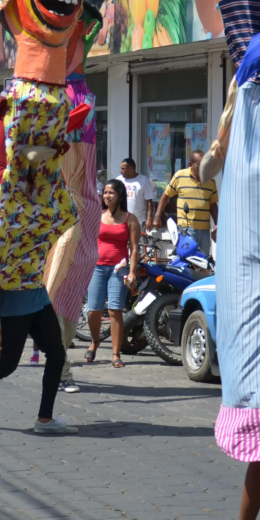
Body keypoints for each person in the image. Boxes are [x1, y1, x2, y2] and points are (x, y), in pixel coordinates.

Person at [85, 180, 140, 368]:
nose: (107, 195)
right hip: (97, 267)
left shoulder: (130, 219)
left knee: (115, 310)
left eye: (111, 193)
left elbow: (134, 248)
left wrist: (132, 272)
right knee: (93, 310)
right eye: (105, 192)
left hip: (120, 268)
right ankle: (95, 341)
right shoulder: (97, 215)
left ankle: (116, 354)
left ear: (120, 195)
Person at [154, 149, 218, 252]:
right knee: (188, 258)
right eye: (199, 164)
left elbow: (213, 204)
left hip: (205, 229)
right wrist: (157, 216)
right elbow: (166, 196)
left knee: (203, 261)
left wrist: (217, 224)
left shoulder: (210, 179)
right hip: (186, 228)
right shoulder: (180, 176)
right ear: (190, 164)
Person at [118, 157, 155, 227]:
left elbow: (149, 201)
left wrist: (149, 218)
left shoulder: (144, 180)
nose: (120, 171)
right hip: (121, 220)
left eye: (123, 169)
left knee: (137, 238)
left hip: (139, 220)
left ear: (131, 169)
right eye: (121, 168)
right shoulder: (118, 180)